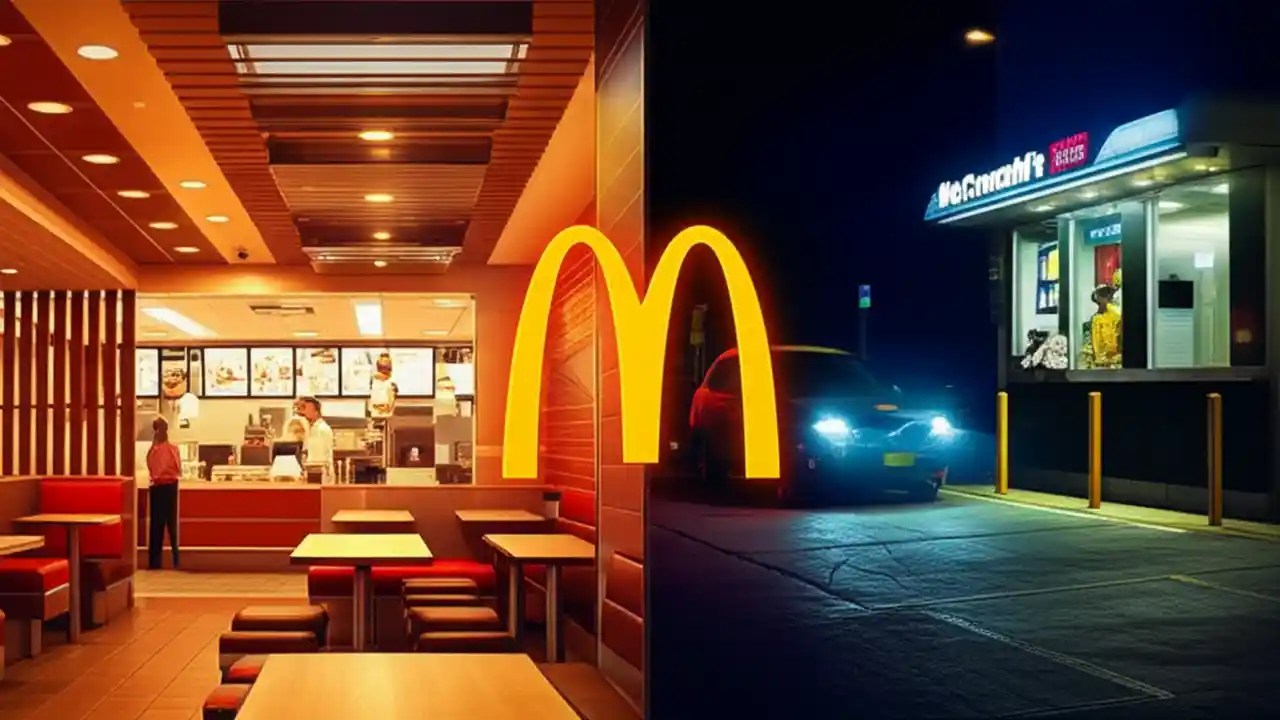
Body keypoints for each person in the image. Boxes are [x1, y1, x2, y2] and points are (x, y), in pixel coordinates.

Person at [146, 417, 181, 569]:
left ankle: (157, 562)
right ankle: (174, 560)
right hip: (169, 487)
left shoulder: (155, 450)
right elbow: (178, 468)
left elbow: (150, 466)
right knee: (168, 525)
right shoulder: (172, 449)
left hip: (160, 488)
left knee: (158, 526)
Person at [297, 396, 334, 482]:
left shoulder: (321, 430)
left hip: (320, 476)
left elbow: (317, 462)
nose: (301, 412)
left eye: (304, 408)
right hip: (316, 474)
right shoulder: (311, 428)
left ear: (316, 412)